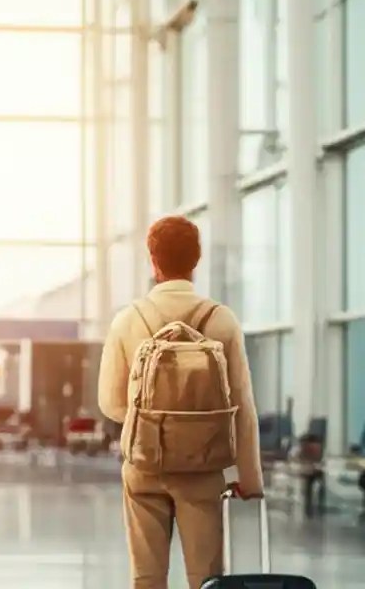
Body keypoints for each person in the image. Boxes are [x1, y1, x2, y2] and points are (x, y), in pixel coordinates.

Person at [98, 216, 264, 589]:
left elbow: (109, 402)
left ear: (153, 260)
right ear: (197, 259)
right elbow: (243, 406)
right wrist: (250, 479)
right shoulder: (221, 320)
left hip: (145, 467)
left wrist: (155, 424)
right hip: (203, 469)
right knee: (206, 580)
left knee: (147, 578)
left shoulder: (128, 320)